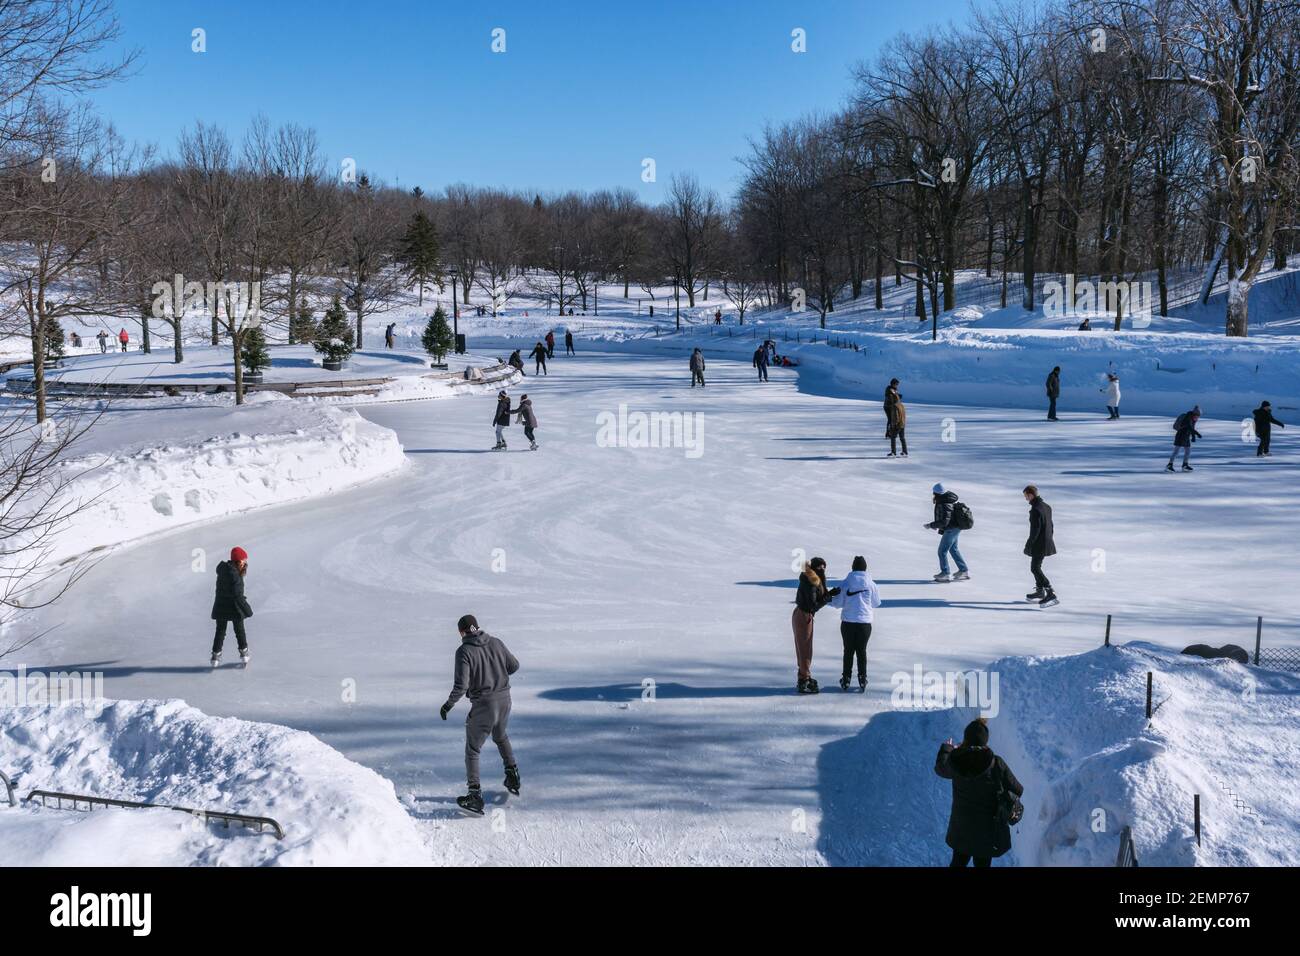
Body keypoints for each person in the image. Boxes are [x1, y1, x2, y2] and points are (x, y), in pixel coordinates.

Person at [440, 614, 521, 816]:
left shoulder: (464, 651)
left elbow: (461, 686)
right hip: (505, 701)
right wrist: (495, 672)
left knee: (473, 749)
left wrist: (448, 705)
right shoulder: (496, 642)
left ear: (461, 632)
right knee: (501, 736)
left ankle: (474, 795)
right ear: (477, 627)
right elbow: (514, 666)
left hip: (484, 705)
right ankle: (512, 774)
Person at [934, 718, 1024, 868]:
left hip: (961, 829)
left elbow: (941, 768)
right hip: (986, 832)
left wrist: (947, 749)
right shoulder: (996, 764)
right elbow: (1017, 789)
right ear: (985, 741)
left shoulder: (955, 761)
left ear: (966, 739)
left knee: (958, 863)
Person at [830, 555, 880, 691]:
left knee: (848, 650)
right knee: (861, 651)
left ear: (852, 567)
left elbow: (837, 603)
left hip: (848, 623)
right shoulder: (871, 584)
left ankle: (846, 678)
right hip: (865, 624)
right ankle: (862, 679)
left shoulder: (846, 583)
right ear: (865, 568)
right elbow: (876, 603)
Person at [792, 557, 839, 694]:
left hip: (804, 615)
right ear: (814, 568)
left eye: (824, 568)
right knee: (804, 649)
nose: (823, 570)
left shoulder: (813, 579)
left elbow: (817, 599)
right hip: (803, 615)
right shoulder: (810, 581)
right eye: (820, 568)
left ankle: (804, 677)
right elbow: (813, 605)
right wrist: (828, 598)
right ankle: (804, 680)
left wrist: (830, 593)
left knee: (805, 649)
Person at [210, 547, 253, 667]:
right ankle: (244, 653)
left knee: (220, 631)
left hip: (221, 606)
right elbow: (238, 596)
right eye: (244, 560)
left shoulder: (223, 570)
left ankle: (215, 656)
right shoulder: (235, 576)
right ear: (238, 561)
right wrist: (248, 610)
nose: (245, 562)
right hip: (234, 607)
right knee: (239, 630)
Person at [925, 483, 969, 582]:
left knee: (942, 551)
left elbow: (945, 521)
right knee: (953, 549)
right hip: (955, 528)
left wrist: (931, 525)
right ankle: (963, 570)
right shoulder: (946, 499)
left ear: (936, 493)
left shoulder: (944, 503)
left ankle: (945, 573)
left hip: (951, 529)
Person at [1022, 485, 1057, 606]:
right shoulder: (1047, 507)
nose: (1026, 499)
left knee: (1035, 568)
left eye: (1026, 496)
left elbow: (1035, 530)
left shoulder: (1035, 510)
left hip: (1039, 543)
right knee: (1036, 567)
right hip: (1047, 541)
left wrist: (1029, 545)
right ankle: (1040, 591)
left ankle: (1050, 593)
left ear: (1030, 495)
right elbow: (1051, 526)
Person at [1166, 405, 1202, 472]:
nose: (1198, 418)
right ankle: (1169, 465)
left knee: (1188, 451)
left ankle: (1185, 465)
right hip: (1180, 436)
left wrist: (1193, 436)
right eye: (1197, 416)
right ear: (1194, 414)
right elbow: (1190, 428)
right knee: (1176, 451)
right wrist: (1197, 434)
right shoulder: (1187, 418)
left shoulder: (1193, 419)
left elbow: (1192, 429)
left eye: (1199, 416)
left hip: (1186, 436)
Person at [884, 378, 908, 457]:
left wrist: (894, 425)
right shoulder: (901, 405)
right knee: (902, 438)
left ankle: (893, 453)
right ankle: (905, 452)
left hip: (898, 424)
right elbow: (903, 416)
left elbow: (895, 417)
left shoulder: (895, 406)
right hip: (902, 424)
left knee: (893, 437)